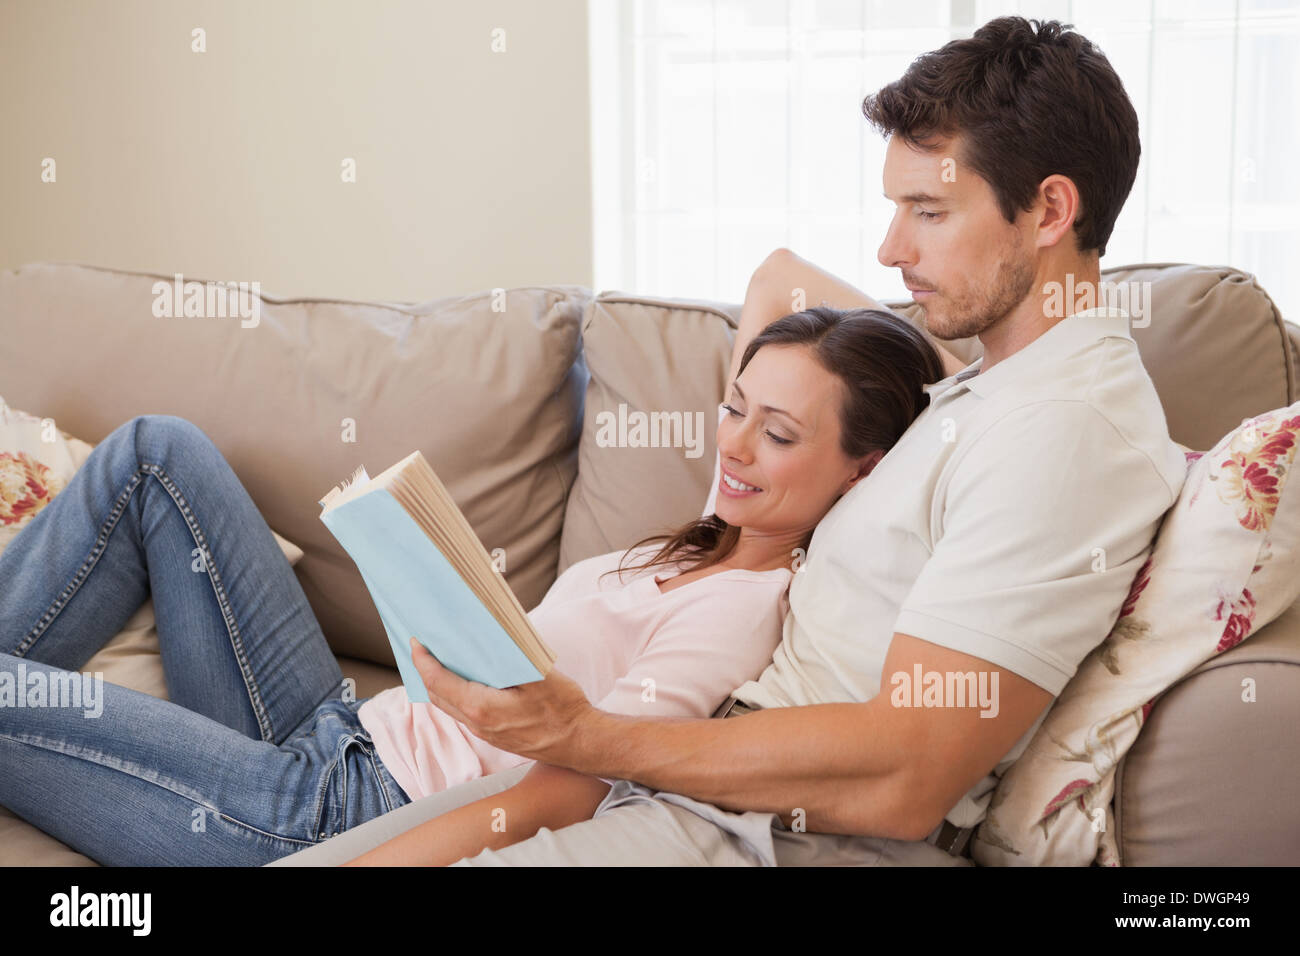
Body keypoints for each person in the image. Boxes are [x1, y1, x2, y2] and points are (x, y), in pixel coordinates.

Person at [277, 15, 1189, 867]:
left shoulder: (1064, 434)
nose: (888, 249)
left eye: (929, 211)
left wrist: (583, 735)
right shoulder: (1004, 379)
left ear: (1050, 210)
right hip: (696, 779)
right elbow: (785, 283)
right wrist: (957, 313)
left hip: (766, 831)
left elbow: (911, 776)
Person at [0, 304, 944, 865]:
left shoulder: (744, 608)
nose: (734, 446)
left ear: (865, 474)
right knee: (158, 455)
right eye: (734, 409)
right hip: (340, 725)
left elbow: (570, 790)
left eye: (778, 435)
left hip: (335, 812)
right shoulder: (703, 541)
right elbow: (787, 283)